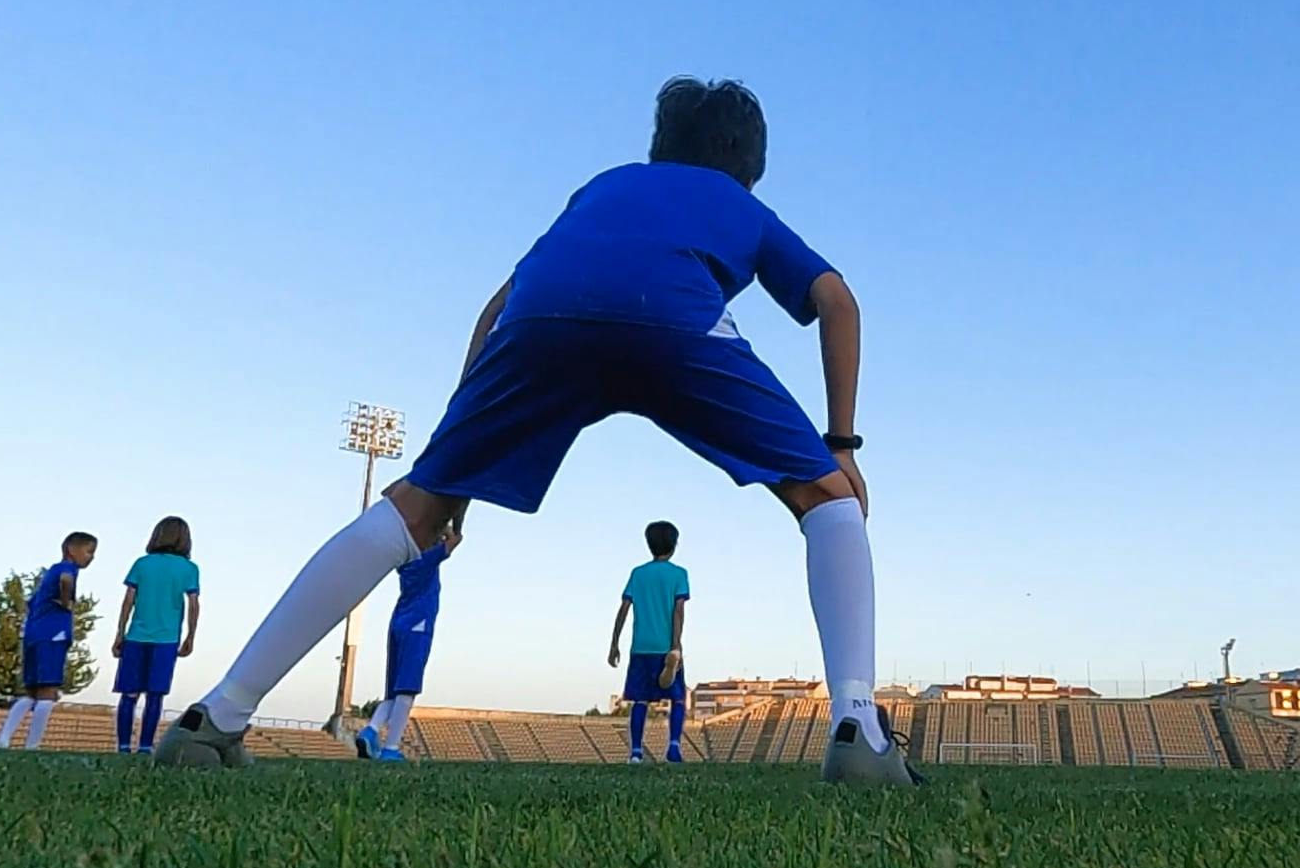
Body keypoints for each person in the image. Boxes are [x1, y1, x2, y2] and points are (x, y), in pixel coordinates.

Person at [159, 76, 914, 785]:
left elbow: (498, 305)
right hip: (675, 319)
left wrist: (453, 453)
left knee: (414, 508)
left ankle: (216, 715)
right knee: (827, 499)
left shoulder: (603, 187)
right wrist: (841, 446)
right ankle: (856, 729)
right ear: (751, 163)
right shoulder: (739, 205)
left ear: (661, 144)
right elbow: (836, 300)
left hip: (540, 322)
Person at [357, 529, 460, 762]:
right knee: (407, 688)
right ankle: (391, 747)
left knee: (393, 690)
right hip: (418, 624)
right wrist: (445, 525)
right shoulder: (428, 557)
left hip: (398, 622)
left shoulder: (406, 561)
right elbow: (456, 538)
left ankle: (371, 729)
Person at [0, 531, 95, 750]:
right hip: (53, 635)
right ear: (71, 550)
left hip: (33, 635)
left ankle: (3, 738)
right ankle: (33, 745)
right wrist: (67, 602)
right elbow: (66, 581)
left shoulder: (49, 573)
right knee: (49, 691)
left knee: (31, 692)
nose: (91, 557)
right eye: (89, 551)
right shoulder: (67, 569)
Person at [110, 516, 201, 755]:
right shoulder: (189, 569)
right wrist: (191, 635)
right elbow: (193, 603)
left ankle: (123, 746)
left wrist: (120, 632)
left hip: (137, 635)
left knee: (129, 694)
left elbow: (128, 600)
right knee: (155, 695)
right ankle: (146, 746)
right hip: (166, 639)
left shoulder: (142, 564)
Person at [608, 521, 690, 763]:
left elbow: (624, 608)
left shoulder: (638, 573)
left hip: (640, 646)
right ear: (674, 545)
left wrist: (614, 643)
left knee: (640, 699)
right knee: (677, 698)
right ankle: (673, 746)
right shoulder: (679, 574)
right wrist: (676, 644)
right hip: (666, 646)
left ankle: (635, 752)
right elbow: (678, 610)